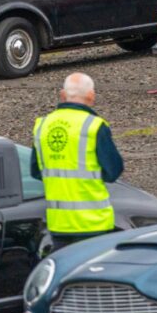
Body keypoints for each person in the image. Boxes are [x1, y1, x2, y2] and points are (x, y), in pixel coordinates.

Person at [30, 72, 124, 251]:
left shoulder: (43, 126)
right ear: (91, 96)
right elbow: (113, 171)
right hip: (93, 223)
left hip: (58, 224)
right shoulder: (94, 126)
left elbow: (36, 171)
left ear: (62, 95)